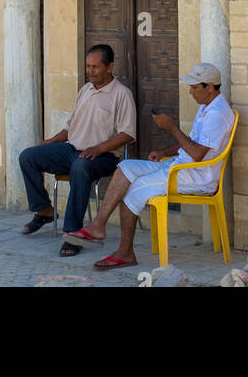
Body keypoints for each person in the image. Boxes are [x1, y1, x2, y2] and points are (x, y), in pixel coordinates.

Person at [67, 61, 234, 270]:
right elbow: (191, 144)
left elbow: (199, 154)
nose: (190, 92)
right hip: (179, 166)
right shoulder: (206, 108)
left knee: (134, 188)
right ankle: (98, 225)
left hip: (196, 177)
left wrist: (171, 127)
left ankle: (125, 253)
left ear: (210, 87)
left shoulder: (218, 113)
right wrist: (164, 152)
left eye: (194, 87)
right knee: (126, 168)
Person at [18, 44, 137, 257]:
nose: (90, 71)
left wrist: (99, 147)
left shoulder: (122, 94)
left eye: (95, 67)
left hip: (105, 157)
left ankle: (73, 233)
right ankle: (44, 210)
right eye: (88, 66)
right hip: (73, 149)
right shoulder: (85, 89)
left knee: (80, 166)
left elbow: (127, 134)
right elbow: (70, 126)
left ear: (109, 67)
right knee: (29, 156)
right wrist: (52, 140)